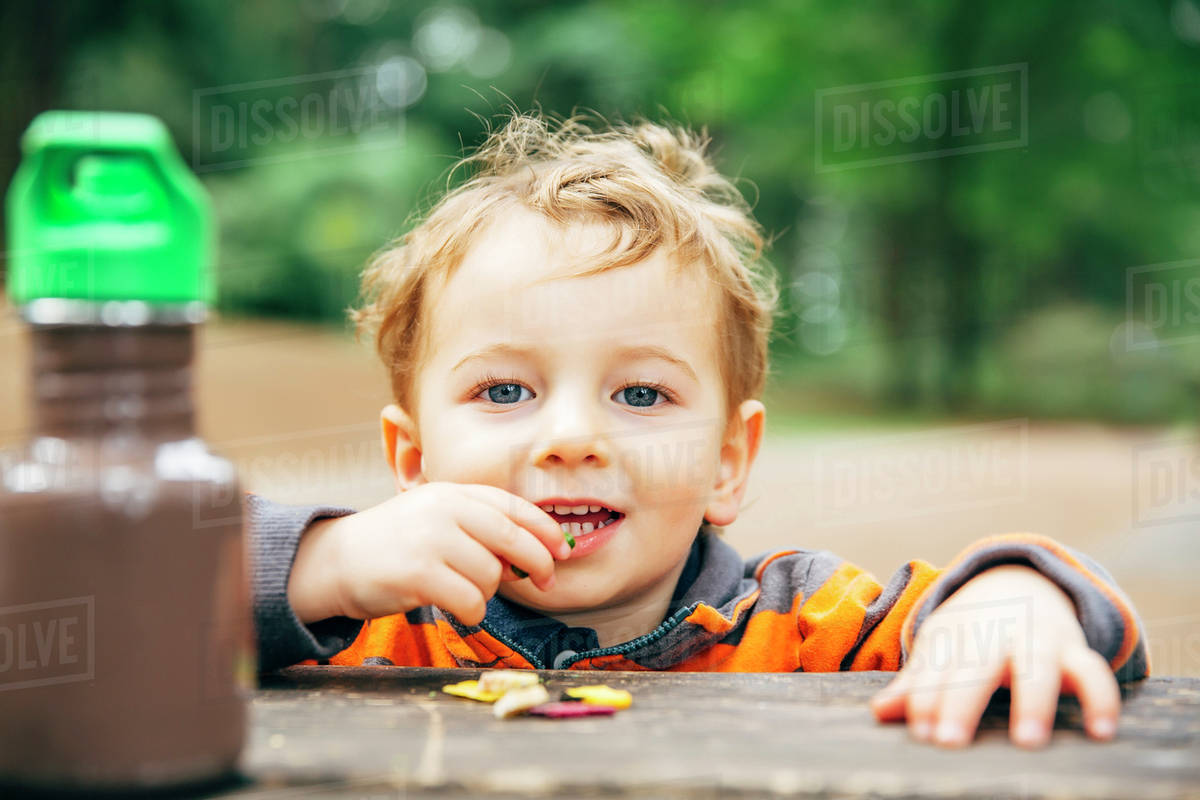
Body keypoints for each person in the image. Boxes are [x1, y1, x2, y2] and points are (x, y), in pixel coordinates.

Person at [248, 111, 1147, 750]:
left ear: (728, 461)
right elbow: (143, 600)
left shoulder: (806, 624)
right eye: (505, 390)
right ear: (412, 459)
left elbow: (1017, 610)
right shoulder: (366, 618)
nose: (571, 437)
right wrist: (322, 562)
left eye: (640, 396)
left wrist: (1013, 601)